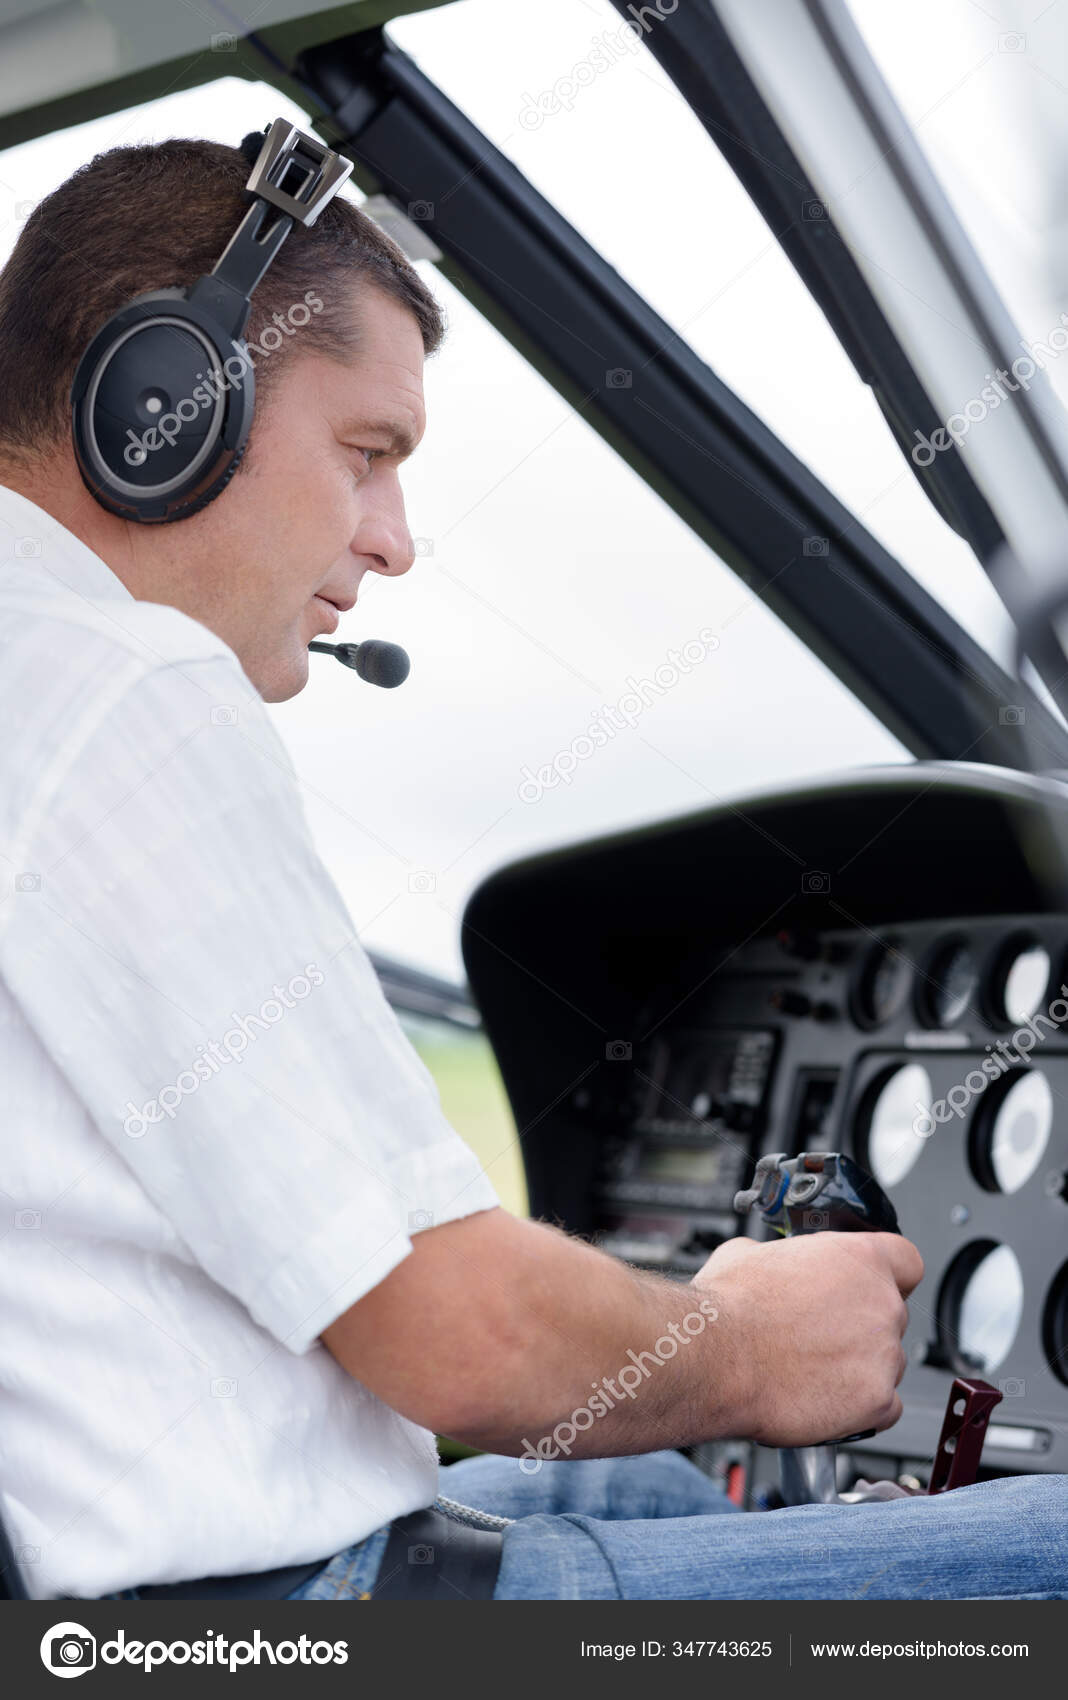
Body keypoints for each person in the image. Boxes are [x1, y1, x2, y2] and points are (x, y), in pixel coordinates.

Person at [0, 137, 1063, 1605]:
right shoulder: (122, 689)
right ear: (161, 406)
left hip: (124, 1583)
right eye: (366, 453)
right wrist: (749, 1339)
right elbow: (456, 1340)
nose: (392, 540)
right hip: (260, 1627)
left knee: (642, 1478)